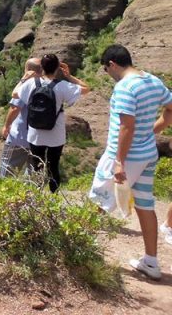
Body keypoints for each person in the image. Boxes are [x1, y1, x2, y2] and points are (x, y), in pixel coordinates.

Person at [96, 44, 172, 280]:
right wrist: (152, 130)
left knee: (98, 200)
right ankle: (151, 262)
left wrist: (119, 161)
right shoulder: (152, 81)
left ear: (112, 64)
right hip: (148, 153)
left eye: (106, 70)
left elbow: (127, 126)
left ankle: (77, 252)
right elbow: (170, 109)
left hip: (125, 156)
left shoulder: (124, 88)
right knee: (145, 205)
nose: (108, 75)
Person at [10, 53, 89, 193]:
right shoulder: (63, 85)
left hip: (35, 134)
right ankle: (54, 198)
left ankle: (37, 198)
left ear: (42, 67)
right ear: (57, 68)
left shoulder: (31, 83)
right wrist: (69, 76)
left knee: (37, 167)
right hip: (56, 134)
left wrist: (23, 79)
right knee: (53, 168)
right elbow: (86, 88)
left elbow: (15, 94)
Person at [0, 57, 41, 177]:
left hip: (20, 137)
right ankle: (32, 196)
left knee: (7, 172)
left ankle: (1, 194)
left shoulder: (26, 85)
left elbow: (15, 108)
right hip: (40, 139)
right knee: (34, 176)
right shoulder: (49, 85)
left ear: (27, 70)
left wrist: (6, 126)